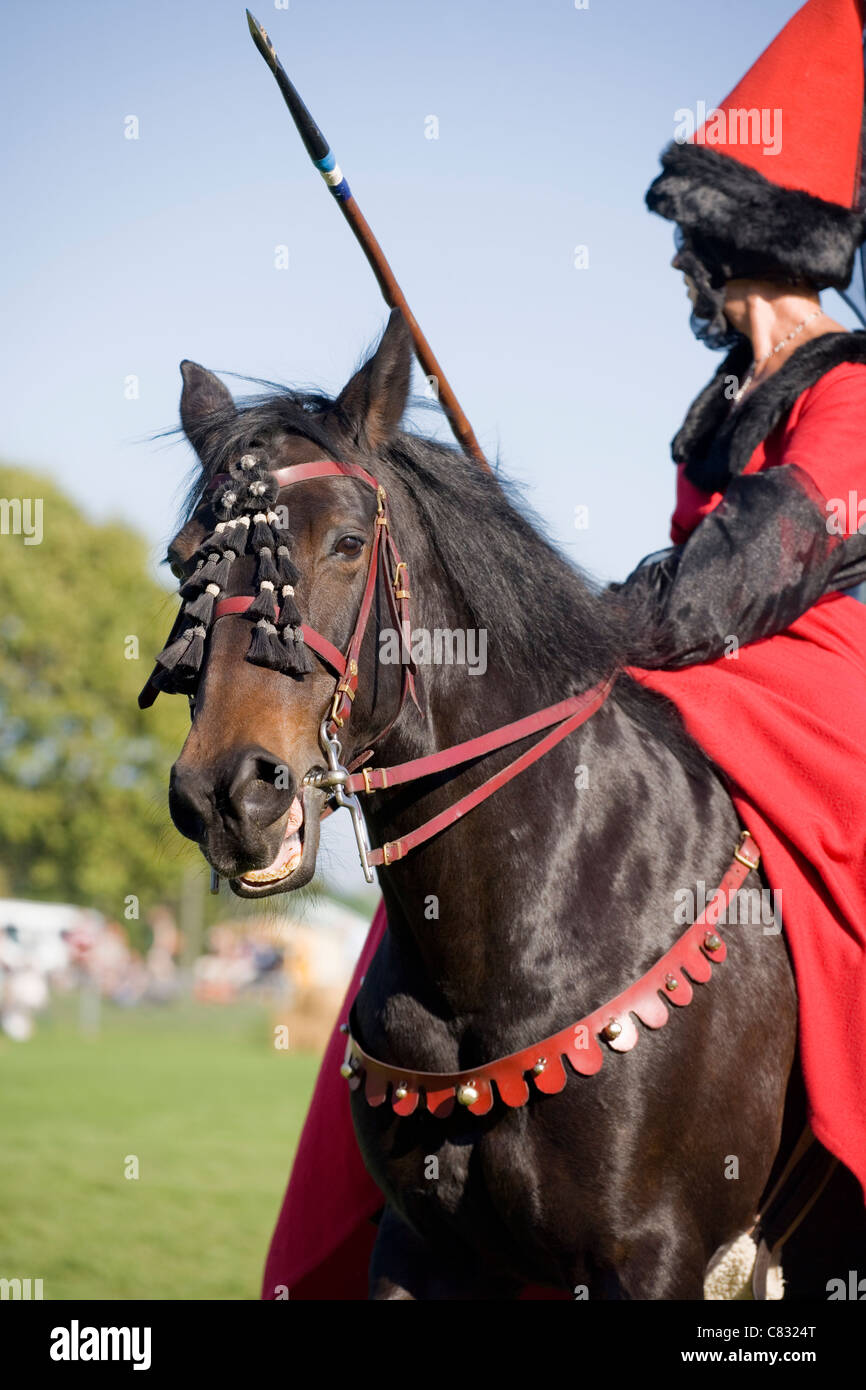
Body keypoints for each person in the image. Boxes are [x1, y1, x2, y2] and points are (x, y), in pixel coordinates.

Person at [262, 0, 866, 1299]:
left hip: (814, 686)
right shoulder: (719, 401)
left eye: (685, 248)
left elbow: (757, 569)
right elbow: (679, 595)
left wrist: (562, 622)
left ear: (732, 245)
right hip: (709, 674)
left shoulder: (850, 389)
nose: (674, 273)